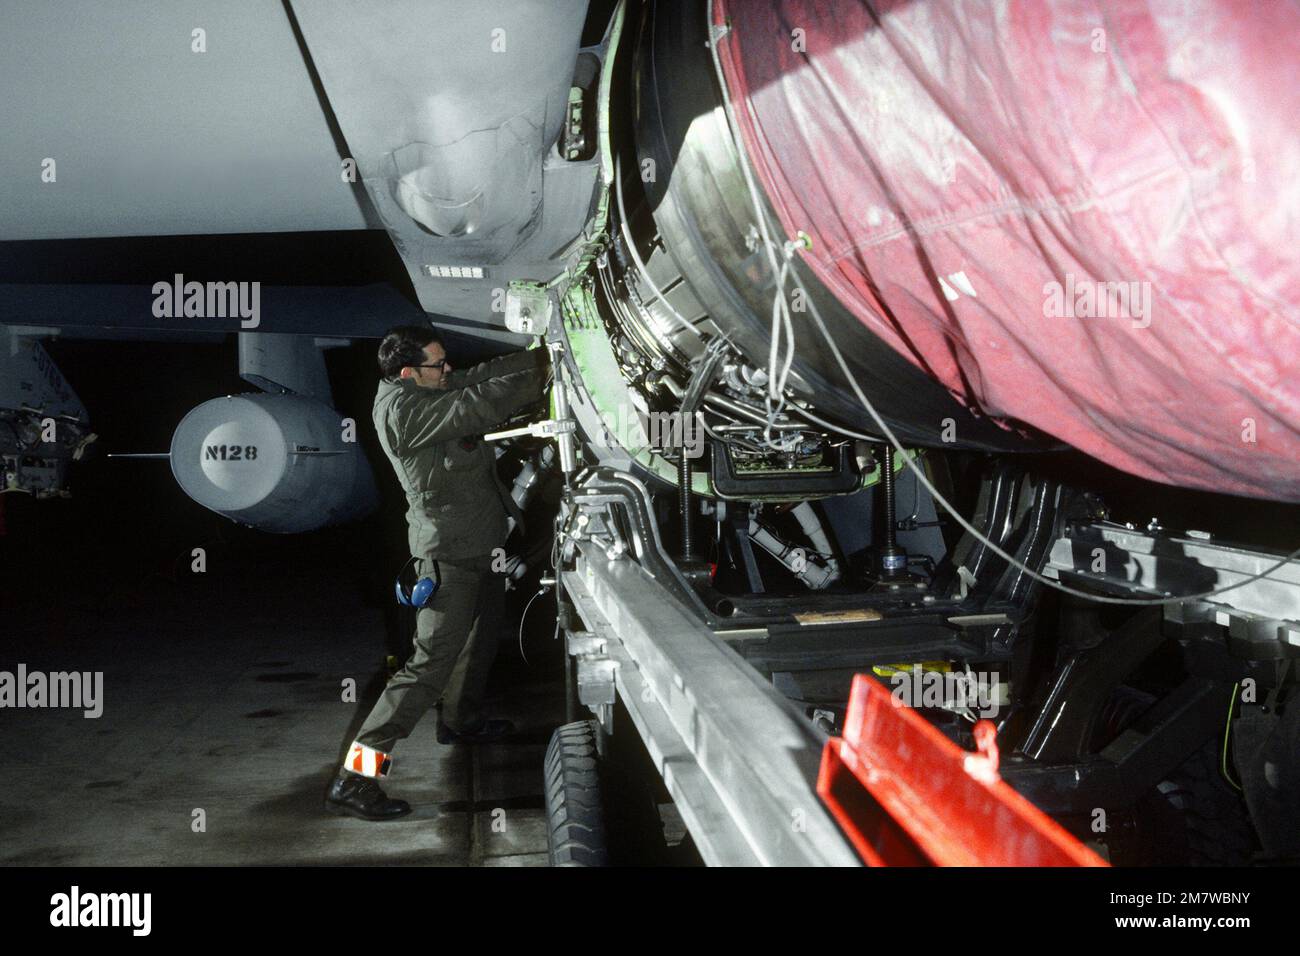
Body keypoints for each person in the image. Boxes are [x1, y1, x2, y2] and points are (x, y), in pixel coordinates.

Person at [326, 325, 549, 821]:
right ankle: (356, 777)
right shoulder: (404, 410)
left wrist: (541, 356)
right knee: (426, 669)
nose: (448, 370)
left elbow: (478, 376)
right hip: (448, 556)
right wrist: (546, 377)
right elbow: (478, 405)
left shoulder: (426, 384)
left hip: (482, 546)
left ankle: (460, 720)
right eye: (438, 364)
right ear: (409, 372)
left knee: (482, 638)